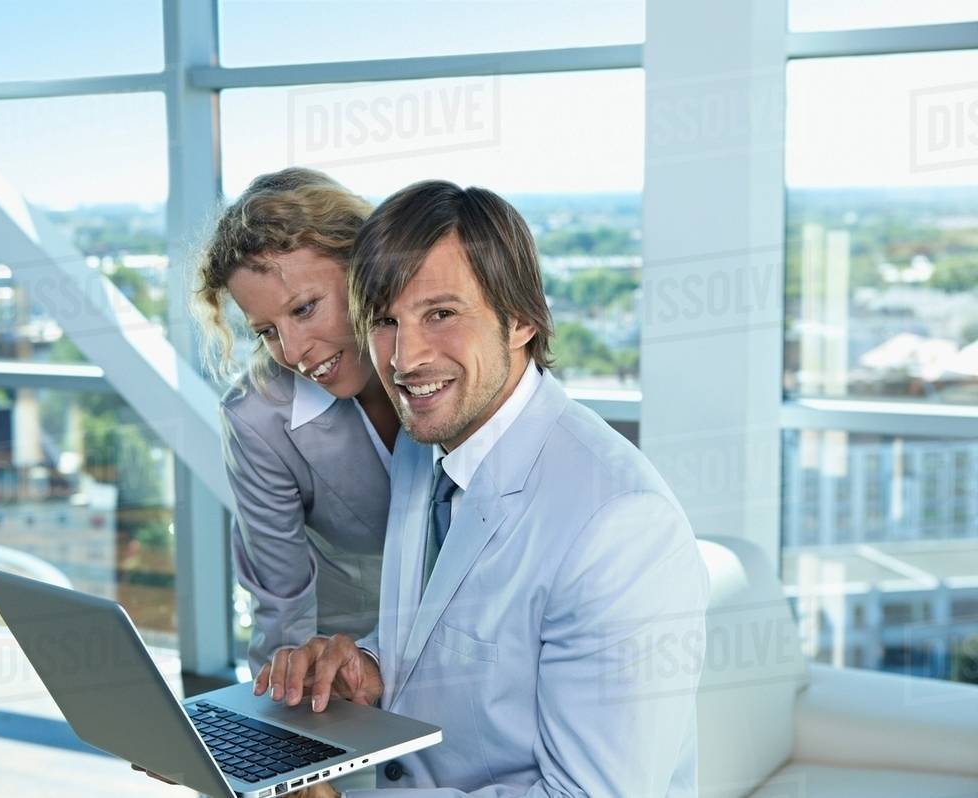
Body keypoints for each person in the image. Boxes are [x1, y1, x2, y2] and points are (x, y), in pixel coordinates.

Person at [257, 181, 710, 798]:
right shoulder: (432, 448)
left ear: (520, 318)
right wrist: (367, 667)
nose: (405, 359)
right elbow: (453, 640)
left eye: (440, 314)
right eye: (386, 321)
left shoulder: (619, 526)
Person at [193, 167, 401, 676]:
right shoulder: (257, 417)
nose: (293, 351)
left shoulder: (446, 363)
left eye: (305, 308)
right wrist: (278, 730)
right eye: (265, 331)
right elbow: (280, 604)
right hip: (339, 653)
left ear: (363, 267)